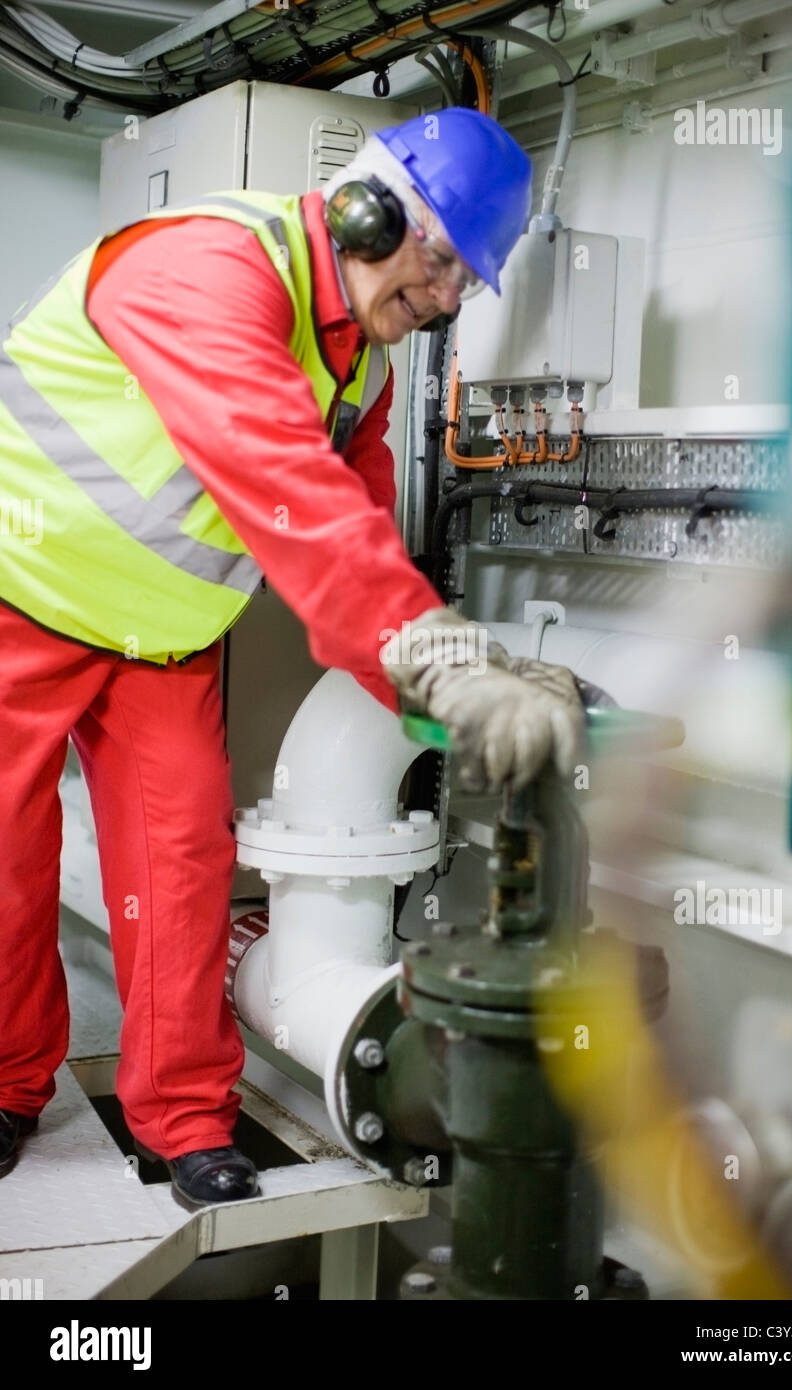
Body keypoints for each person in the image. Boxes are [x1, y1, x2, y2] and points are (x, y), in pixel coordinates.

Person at [0, 108, 584, 1209]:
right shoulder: (205, 268)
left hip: (161, 643)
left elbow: (355, 565)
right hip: (16, 599)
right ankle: (6, 1085)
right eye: (444, 259)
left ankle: (183, 1119)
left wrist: (454, 687)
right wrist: (442, 660)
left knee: (180, 875)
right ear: (368, 210)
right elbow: (282, 483)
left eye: (468, 280)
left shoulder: (357, 371)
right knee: (4, 867)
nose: (449, 299)